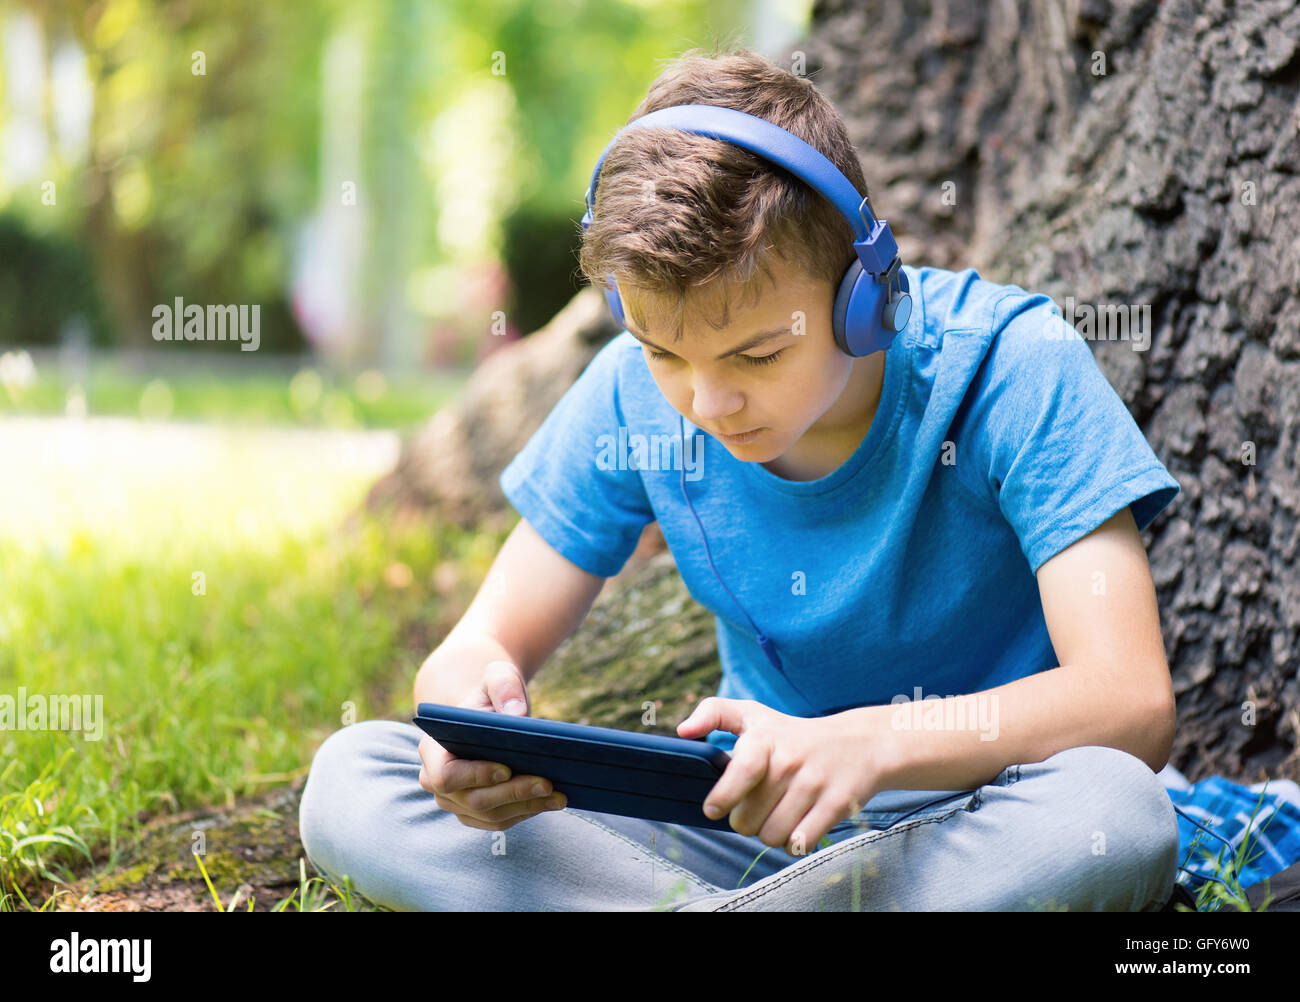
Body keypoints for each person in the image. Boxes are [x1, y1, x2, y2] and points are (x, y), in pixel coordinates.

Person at [298, 43, 1182, 911]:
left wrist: (872, 743)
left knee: (1116, 812)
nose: (709, 402)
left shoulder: (1016, 366)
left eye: (757, 353)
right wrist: (467, 711)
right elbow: (478, 645)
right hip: (739, 829)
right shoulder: (628, 400)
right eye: (663, 353)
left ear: (863, 299)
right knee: (355, 780)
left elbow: (1130, 702)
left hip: (975, 815)